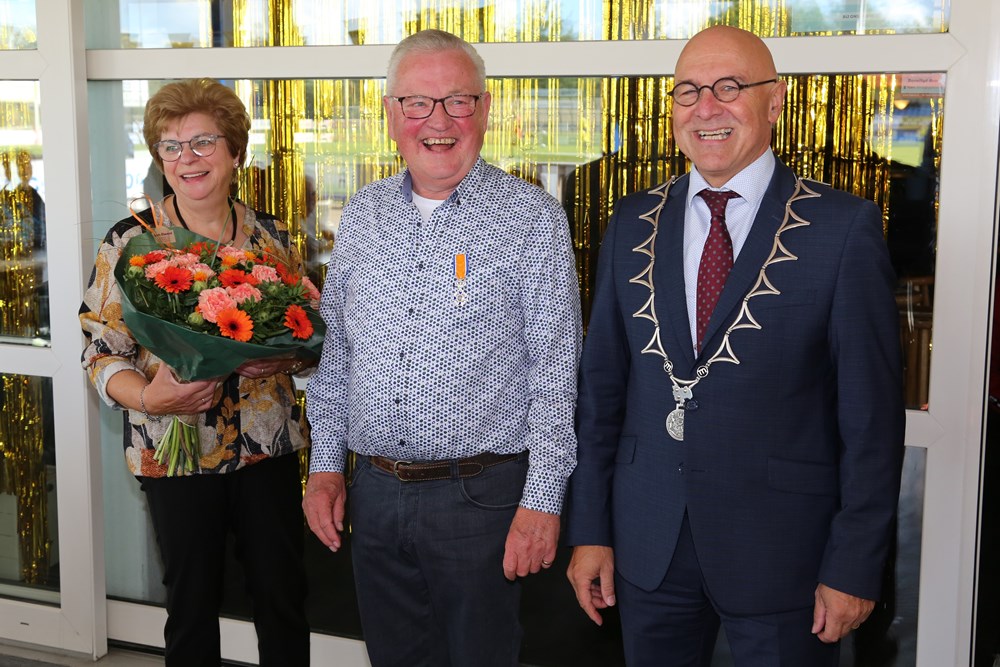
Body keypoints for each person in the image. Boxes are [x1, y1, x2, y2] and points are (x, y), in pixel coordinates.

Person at [565, 26, 905, 666]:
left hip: (784, 554)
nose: (707, 108)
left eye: (729, 87)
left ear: (774, 102)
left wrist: (855, 563)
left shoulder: (842, 228)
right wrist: (590, 532)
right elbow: (600, 394)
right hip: (648, 543)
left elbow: (870, 420)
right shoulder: (632, 221)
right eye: (689, 91)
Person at [303, 29, 582, 667]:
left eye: (457, 101)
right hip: (374, 494)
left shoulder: (530, 217)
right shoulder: (363, 213)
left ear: (484, 111)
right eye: (417, 103)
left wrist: (542, 503)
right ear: (391, 114)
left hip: (481, 500)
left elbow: (555, 373)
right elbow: (337, 355)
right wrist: (325, 465)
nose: (438, 121)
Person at [80, 78, 311, 666]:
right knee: (191, 605)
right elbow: (99, 352)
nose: (188, 159)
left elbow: (310, 340)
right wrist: (150, 398)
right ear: (159, 158)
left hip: (269, 446)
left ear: (236, 151)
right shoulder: (131, 242)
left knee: (283, 597)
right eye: (172, 146)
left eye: (204, 143)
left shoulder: (272, 238)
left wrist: (284, 355)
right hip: (175, 452)